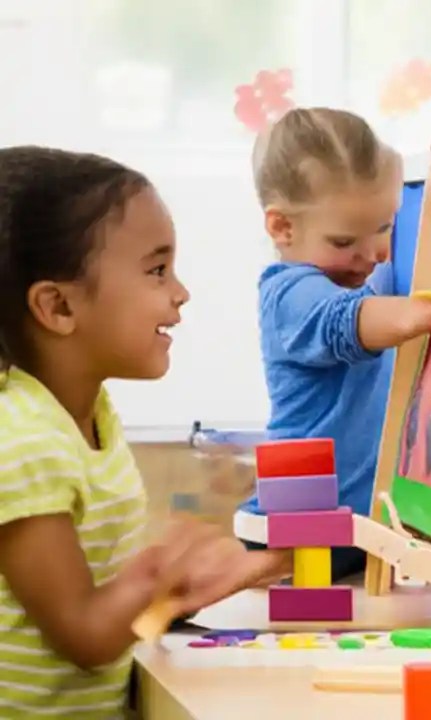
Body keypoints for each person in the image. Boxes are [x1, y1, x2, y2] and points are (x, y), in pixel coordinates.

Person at [0, 147, 280, 716]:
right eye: (157, 270)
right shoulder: (24, 440)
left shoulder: (89, 414)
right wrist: (161, 573)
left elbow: (106, 608)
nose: (180, 292)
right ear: (56, 306)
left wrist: (180, 587)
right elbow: (81, 633)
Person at [239, 108, 431, 580]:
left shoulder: (358, 279)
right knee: (308, 635)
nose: (376, 253)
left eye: (384, 227)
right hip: (297, 526)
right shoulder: (288, 293)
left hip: (357, 526)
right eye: (344, 240)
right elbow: (347, 324)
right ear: (281, 228)